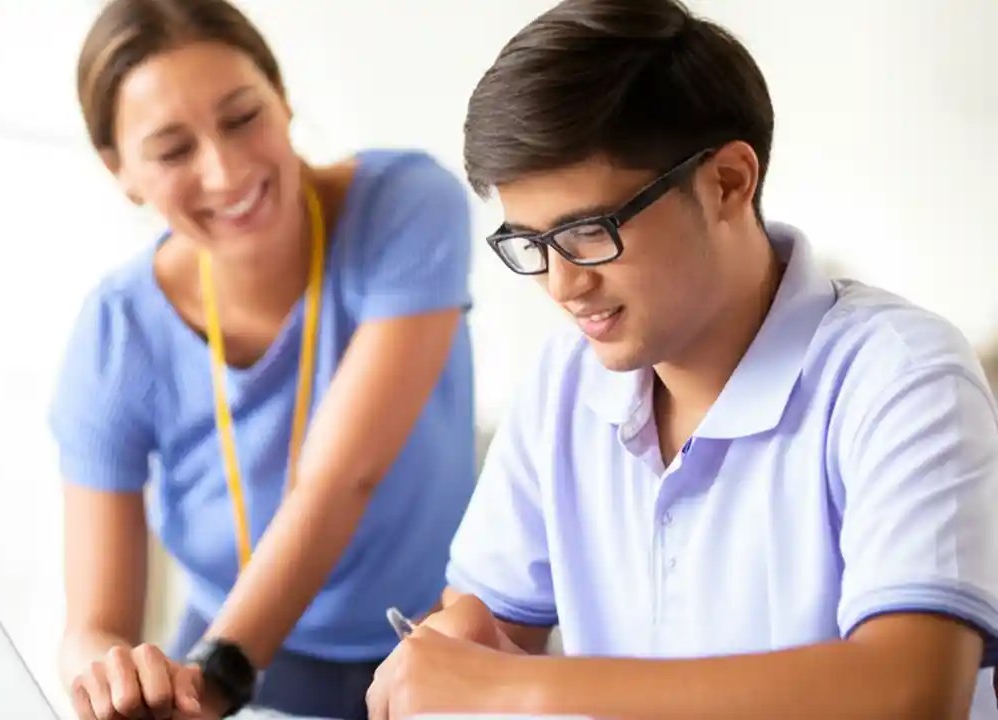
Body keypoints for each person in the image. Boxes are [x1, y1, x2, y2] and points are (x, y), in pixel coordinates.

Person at [365, 0, 998, 718]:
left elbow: (909, 689)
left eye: (588, 231)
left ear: (728, 181)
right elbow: (486, 626)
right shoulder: (566, 381)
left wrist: (517, 684)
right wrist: (459, 649)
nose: (564, 283)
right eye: (530, 244)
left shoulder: (902, 375)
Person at [48, 1, 477, 719]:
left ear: (281, 98)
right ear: (120, 170)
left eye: (243, 117)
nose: (225, 170)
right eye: (173, 150)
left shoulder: (406, 207)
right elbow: (91, 628)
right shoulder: (117, 332)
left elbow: (343, 478)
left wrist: (217, 678)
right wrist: (112, 680)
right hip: (229, 650)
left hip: (430, 644)